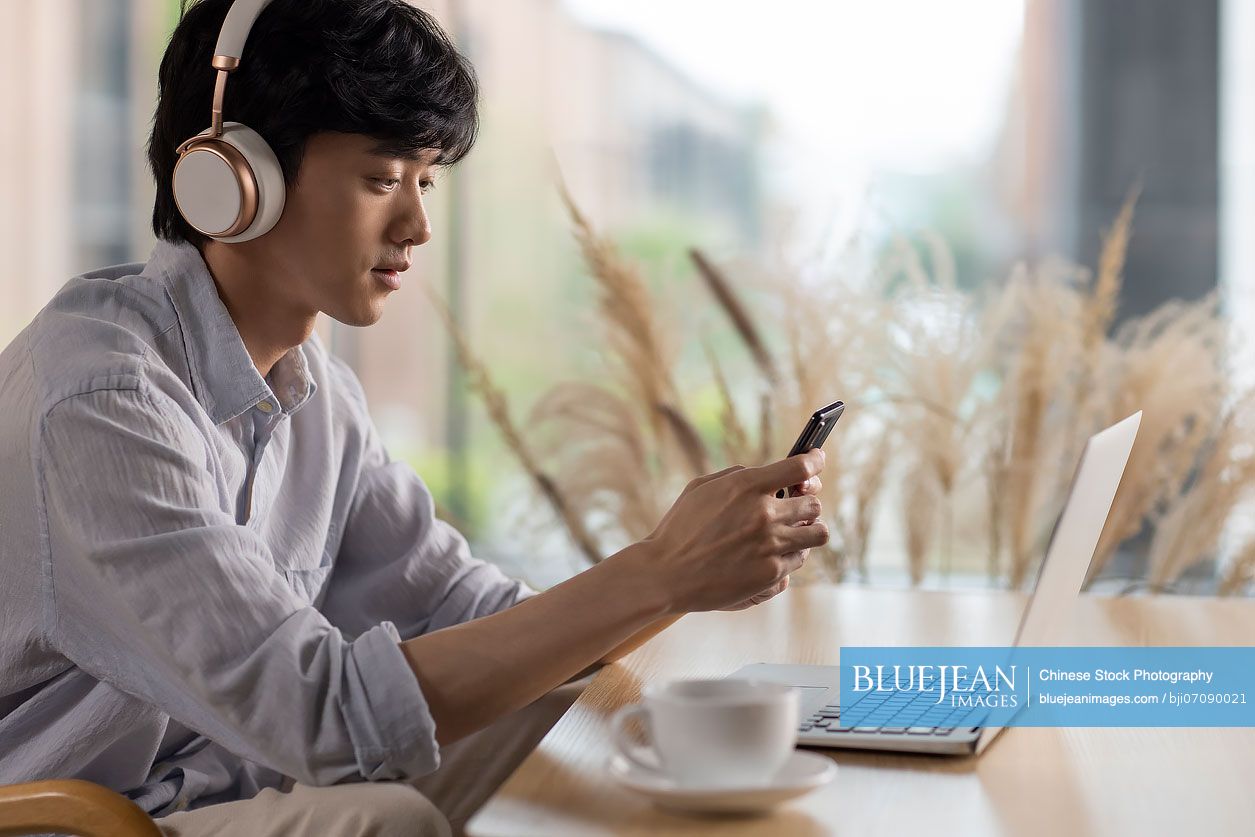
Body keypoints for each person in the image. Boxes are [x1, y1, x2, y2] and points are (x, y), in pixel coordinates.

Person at [0, 1, 828, 834]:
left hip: (222, 799)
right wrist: (659, 571)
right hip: (72, 821)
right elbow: (321, 715)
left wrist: (694, 561)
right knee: (386, 819)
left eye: (424, 180)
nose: (419, 225)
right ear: (233, 176)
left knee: (561, 721)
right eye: (382, 179)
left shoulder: (316, 396)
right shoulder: (102, 400)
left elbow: (475, 615)